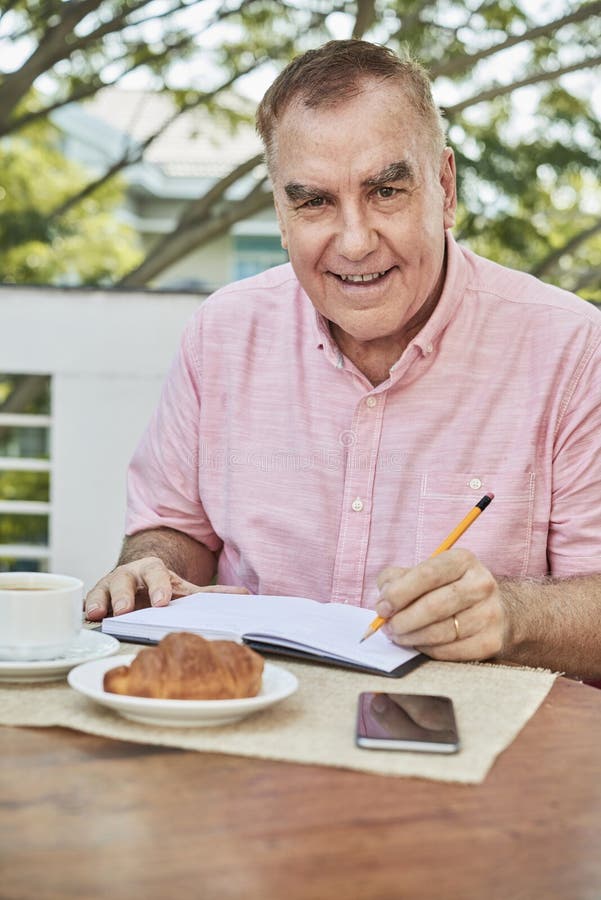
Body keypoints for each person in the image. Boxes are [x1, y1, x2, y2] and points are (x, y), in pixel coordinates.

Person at [85, 39, 601, 681]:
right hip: (249, 738)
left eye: (386, 190)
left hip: (478, 752)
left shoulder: (574, 349)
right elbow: (174, 529)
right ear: (280, 208)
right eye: (314, 202)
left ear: (444, 187)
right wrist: (153, 570)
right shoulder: (221, 332)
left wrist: (515, 616)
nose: (355, 242)